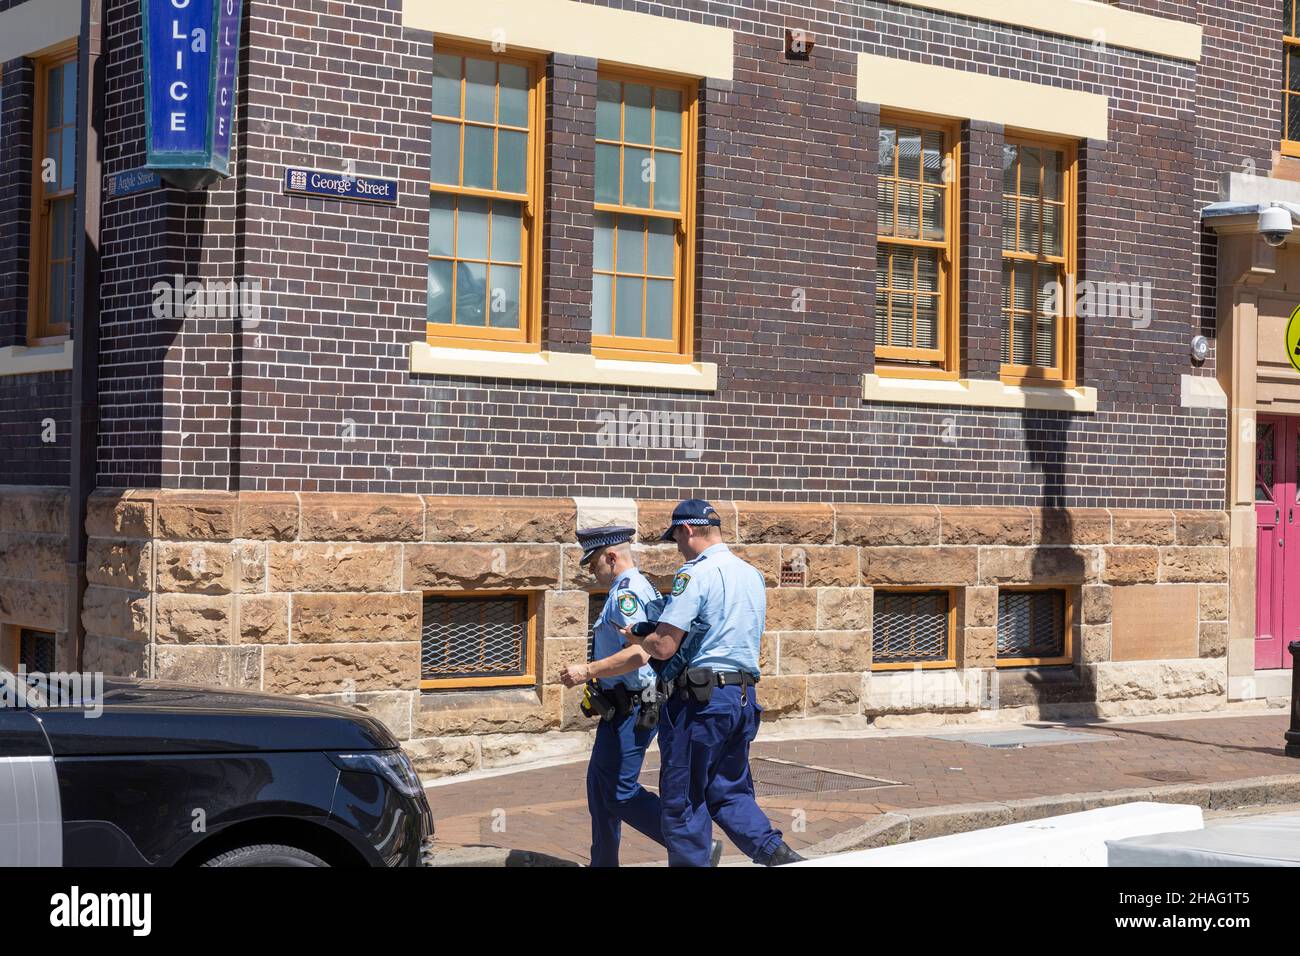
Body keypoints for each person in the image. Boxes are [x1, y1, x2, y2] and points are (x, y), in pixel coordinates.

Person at [625, 499, 804, 867]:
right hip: (742, 697)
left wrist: (637, 636)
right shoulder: (751, 574)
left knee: (684, 801)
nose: (676, 546)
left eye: (675, 537)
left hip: (700, 704)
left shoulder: (695, 574)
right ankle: (780, 857)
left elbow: (665, 645)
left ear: (688, 530)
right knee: (730, 792)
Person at [560, 525, 721, 868]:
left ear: (611, 556)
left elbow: (642, 654)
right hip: (619, 706)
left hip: (632, 706)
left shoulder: (627, 593)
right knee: (600, 790)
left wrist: (587, 671)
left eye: (593, 564)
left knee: (620, 792)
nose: (592, 572)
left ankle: (697, 847)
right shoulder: (635, 586)